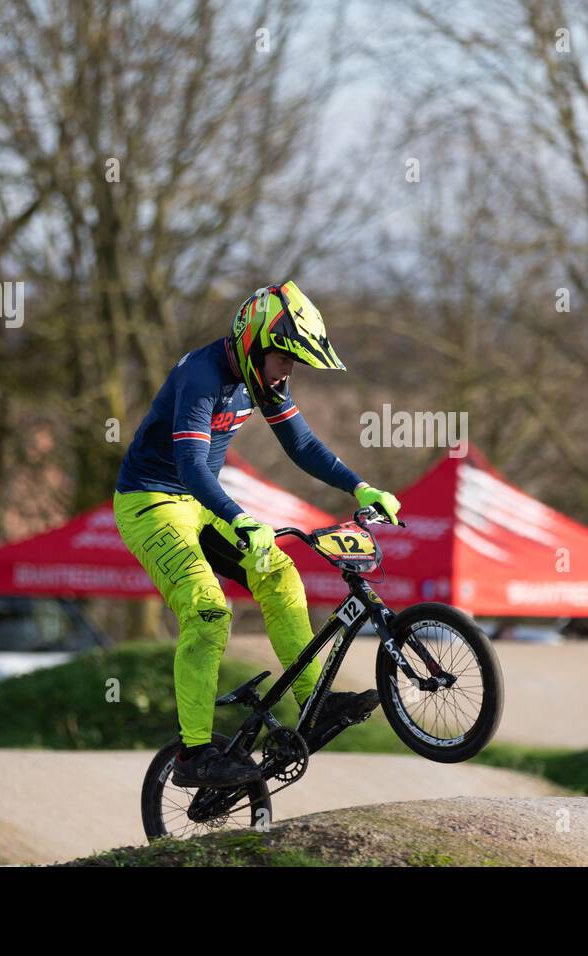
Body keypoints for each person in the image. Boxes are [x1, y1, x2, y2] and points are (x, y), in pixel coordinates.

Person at [113, 281, 402, 788]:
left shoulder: (261, 379)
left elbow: (301, 444)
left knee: (281, 574)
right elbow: (189, 463)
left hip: (200, 504)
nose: (288, 371)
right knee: (208, 611)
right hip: (151, 502)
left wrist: (360, 487)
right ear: (253, 343)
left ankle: (316, 699)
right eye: (284, 359)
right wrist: (238, 515)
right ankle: (193, 755)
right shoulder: (203, 377)